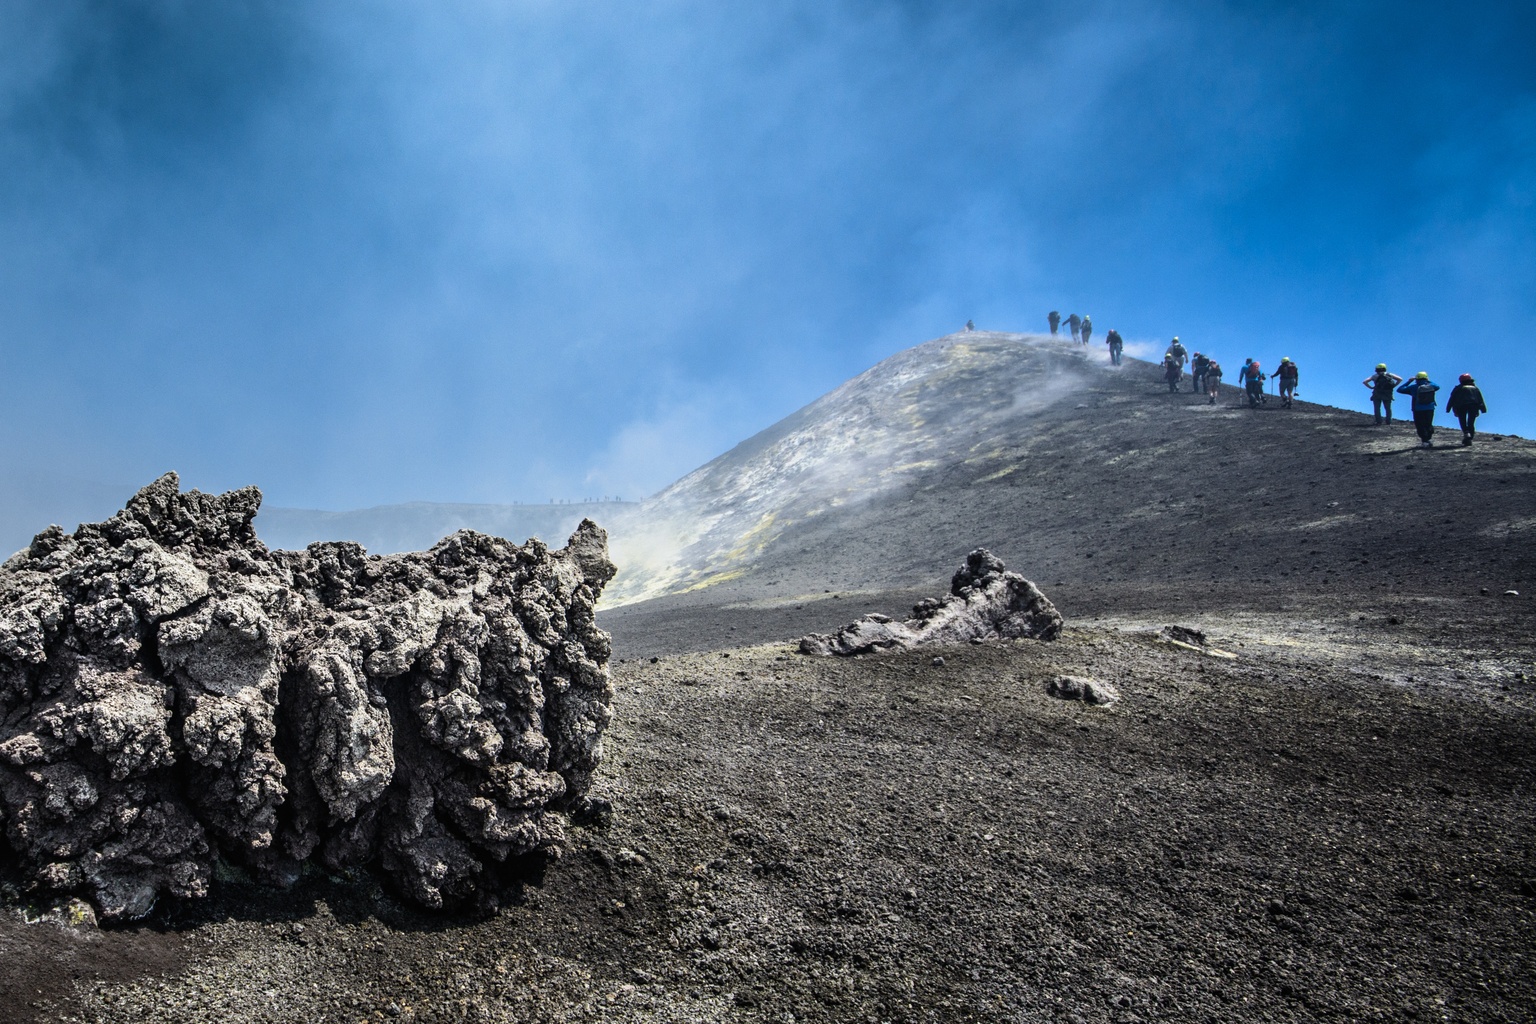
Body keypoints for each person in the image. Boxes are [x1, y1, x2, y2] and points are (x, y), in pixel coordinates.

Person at [1397, 371, 1440, 448]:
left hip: (1418, 409)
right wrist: (1428, 380)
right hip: (1430, 408)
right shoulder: (1431, 386)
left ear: (1417, 379)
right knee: (1428, 424)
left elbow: (1400, 389)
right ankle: (1428, 439)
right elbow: (1438, 386)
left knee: (1420, 425)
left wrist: (1409, 381)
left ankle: (1425, 441)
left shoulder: (1413, 387)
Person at [1445, 373, 1487, 446]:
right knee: (1471, 422)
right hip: (1473, 406)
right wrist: (1483, 409)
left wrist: (1448, 408)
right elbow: (1480, 399)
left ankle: (1466, 433)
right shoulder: (1475, 388)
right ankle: (1470, 437)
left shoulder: (1457, 388)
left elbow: (1452, 399)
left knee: (1462, 421)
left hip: (1461, 407)